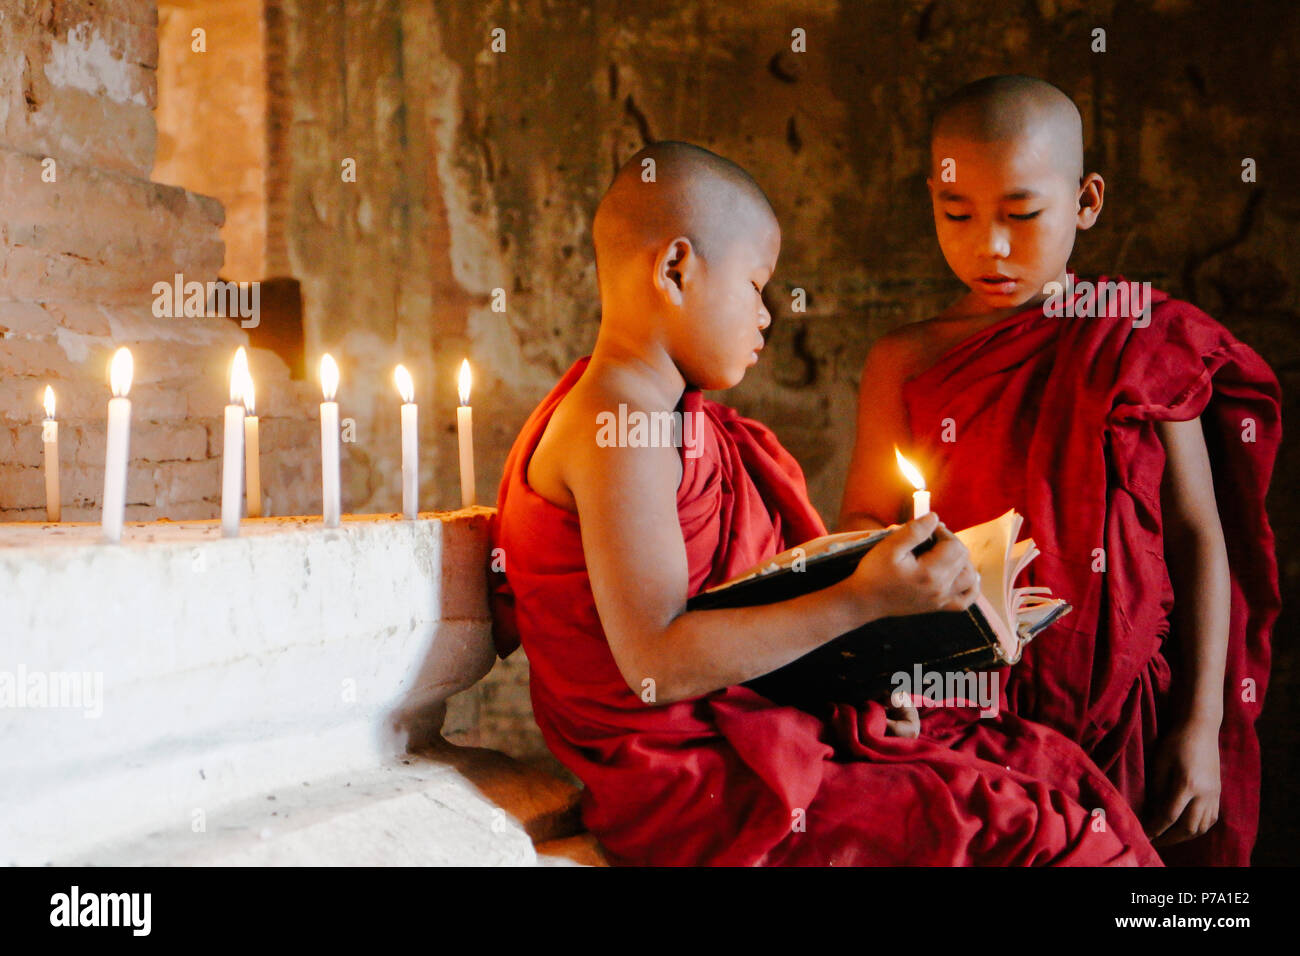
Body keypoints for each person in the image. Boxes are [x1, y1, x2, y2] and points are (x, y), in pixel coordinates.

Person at [489, 140, 1161, 866]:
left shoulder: (678, 420)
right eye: (756, 285)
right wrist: (863, 601)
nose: (768, 317)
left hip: (752, 737)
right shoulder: (615, 425)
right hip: (697, 791)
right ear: (676, 268)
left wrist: (868, 681)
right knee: (1026, 829)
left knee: (1039, 770)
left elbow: (743, 624)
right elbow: (662, 664)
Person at [839, 76, 1280, 865]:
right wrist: (892, 672)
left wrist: (1200, 724)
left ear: (1087, 200)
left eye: (1021, 214)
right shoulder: (904, 360)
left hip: (1128, 709)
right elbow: (869, 528)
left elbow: (1196, 533)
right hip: (966, 703)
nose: (991, 246)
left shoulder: (1133, 335)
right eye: (957, 215)